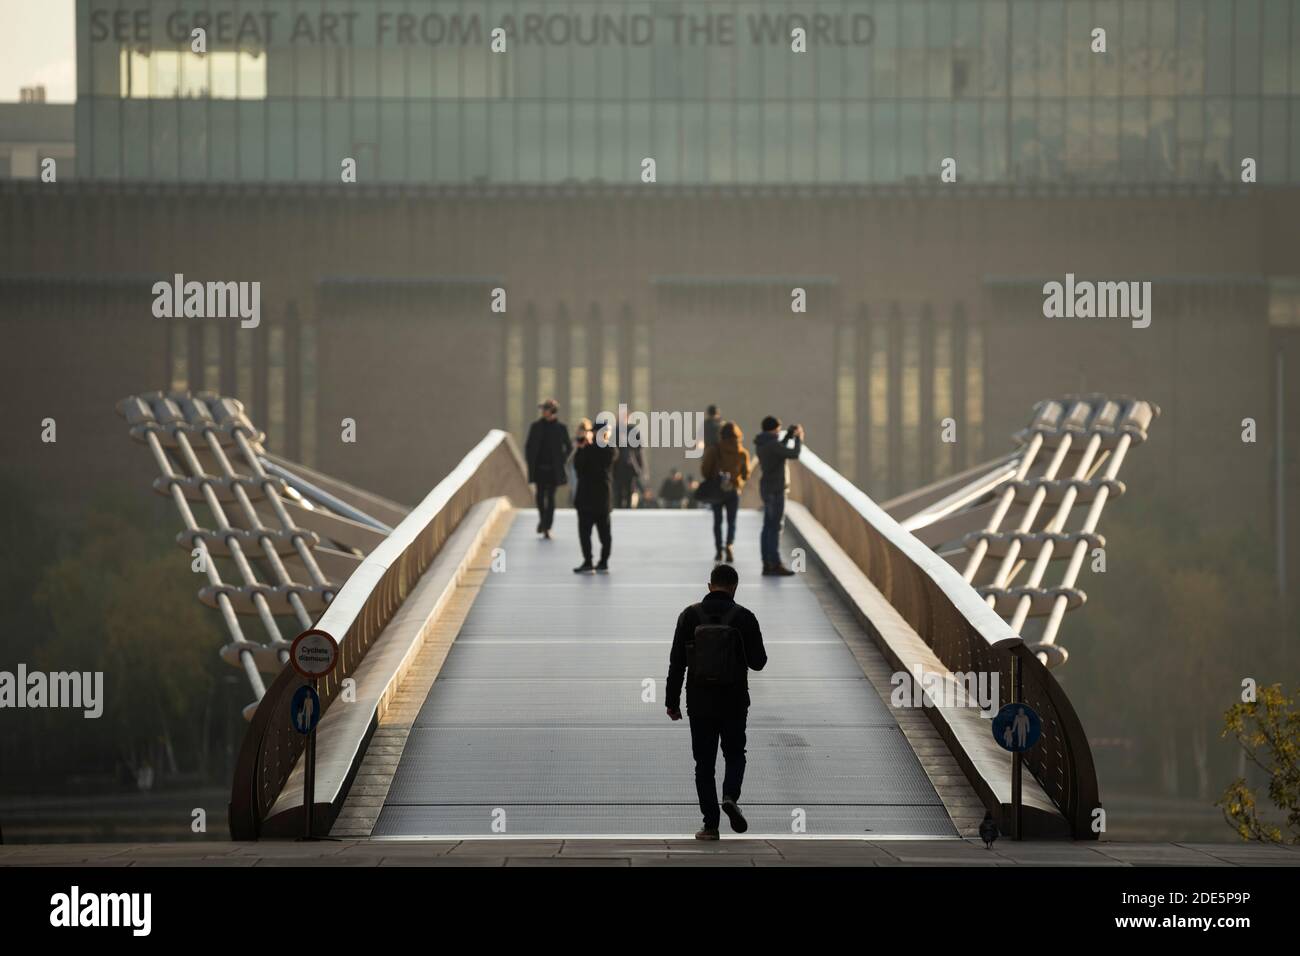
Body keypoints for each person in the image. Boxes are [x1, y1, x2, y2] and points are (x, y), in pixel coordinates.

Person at [665, 563, 768, 840]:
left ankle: (710, 826)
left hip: (699, 701)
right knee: (735, 753)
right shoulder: (744, 617)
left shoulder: (689, 616)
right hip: (734, 700)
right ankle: (730, 796)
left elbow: (677, 663)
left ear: (709, 586)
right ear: (734, 587)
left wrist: (671, 701)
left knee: (704, 763)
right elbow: (759, 663)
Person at [753, 416, 804, 576]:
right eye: (778, 429)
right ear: (774, 428)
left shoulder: (763, 443)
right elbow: (793, 454)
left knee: (767, 526)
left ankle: (766, 563)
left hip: (767, 488)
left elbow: (778, 450)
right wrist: (798, 439)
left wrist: (788, 435)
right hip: (776, 490)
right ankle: (775, 563)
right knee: (775, 527)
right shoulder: (773, 445)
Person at [701, 421, 751, 563]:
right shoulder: (742, 452)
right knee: (732, 520)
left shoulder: (714, 449)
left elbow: (705, 470)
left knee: (718, 521)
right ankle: (729, 544)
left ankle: (718, 550)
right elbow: (746, 474)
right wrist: (738, 482)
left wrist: (714, 477)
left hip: (717, 490)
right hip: (733, 490)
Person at [572, 416, 617, 573]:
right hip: (602, 499)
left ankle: (589, 561)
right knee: (605, 533)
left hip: (587, 498)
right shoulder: (610, 449)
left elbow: (578, 468)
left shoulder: (591, 449)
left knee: (586, 533)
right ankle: (603, 561)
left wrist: (582, 447)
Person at [524, 399, 570, 539]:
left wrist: (562, 460)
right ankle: (543, 521)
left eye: (546, 409)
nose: (543, 411)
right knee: (539, 496)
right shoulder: (536, 427)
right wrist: (530, 461)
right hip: (539, 468)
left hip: (554, 469)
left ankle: (546, 525)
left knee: (550, 497)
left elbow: (569, 447)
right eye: (543, 409)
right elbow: (528, 446)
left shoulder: (561, 428)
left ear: (552, 411)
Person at [613, 407, 645, 508]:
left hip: (630, 467)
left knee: (629, 490)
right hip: (617, 467)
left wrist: (638, 464)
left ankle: (628, 509)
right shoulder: (615, 430)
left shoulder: (633, 430)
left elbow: (639, 449)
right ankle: (617, 509)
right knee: (617, 491)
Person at [566, 417, 591, 503]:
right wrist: (575, 447)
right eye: (580, 429)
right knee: (575, 486)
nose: (581, 432)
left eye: (583, 430)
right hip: (575, 467)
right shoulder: (573, 441)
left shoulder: (590, 442)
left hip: (587, 468)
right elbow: (568, 458)